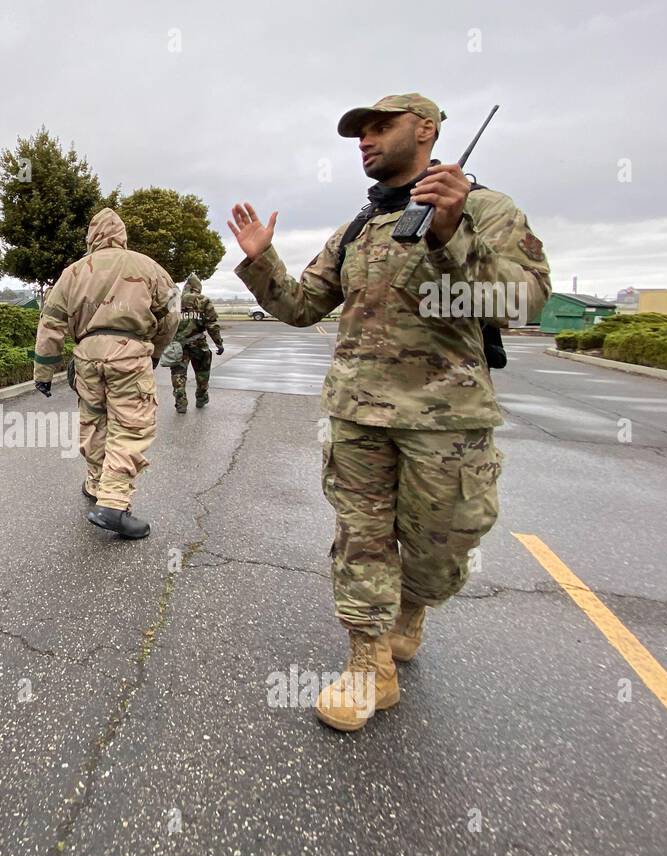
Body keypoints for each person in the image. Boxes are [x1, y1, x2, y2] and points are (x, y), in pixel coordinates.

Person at [228, 94, 550, 731]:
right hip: (357, 414)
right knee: (362, 539)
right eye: (359, 133)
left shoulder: (486, 210)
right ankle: (367, 664)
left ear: (426, 130)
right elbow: (299, 306)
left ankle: (413, 608)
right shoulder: (358, 227)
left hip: (446, 419)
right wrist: (262, 259)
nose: (365, 141)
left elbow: (523, 300)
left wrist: (453, 233)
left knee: (444, 544)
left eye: (380, 128)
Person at [32, 208, 176, 539]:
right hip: (130, 354)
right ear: (122, 236)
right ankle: (113, 504)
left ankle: (97, 483)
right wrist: (153, 349)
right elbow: (170, 315)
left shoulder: (73, 272)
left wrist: (43, 370)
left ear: (91, 238)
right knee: (130, 427)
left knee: (94, 421)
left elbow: (51, 321)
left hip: (87, 356)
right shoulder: (148, 267)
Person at [169, 272, 224, 413]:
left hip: (178, 345)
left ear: (187, 287)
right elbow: (212, 324)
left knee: (178, 374)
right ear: (198, 287)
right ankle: (201, 397)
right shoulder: (204, 300)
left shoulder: (175, 301)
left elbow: (166, 323)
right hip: (198, 343)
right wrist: (218, 343)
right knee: (202, 373)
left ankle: (180, 403)